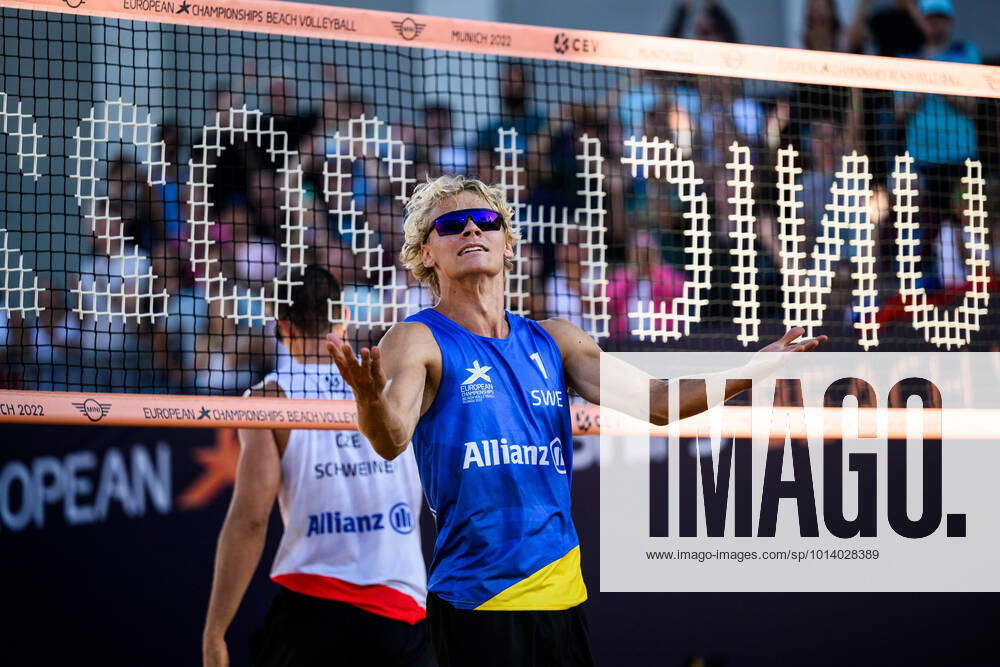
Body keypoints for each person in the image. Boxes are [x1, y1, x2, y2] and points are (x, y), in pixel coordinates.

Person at [325, 175, 826, 665]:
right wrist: (369, 398)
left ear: (508, 243)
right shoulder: (416, 338)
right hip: (477, 599)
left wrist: (748, 372)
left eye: (485, 220)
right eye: (452, 224)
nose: (472, 230)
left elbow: (656, 403)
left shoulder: (555, 339)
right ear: (426, 254)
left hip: (562, 592)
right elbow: (391, 439)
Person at [203, 265, 432, 667]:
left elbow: (250, 521)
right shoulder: (396, 383)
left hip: (312, 608)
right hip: (401, 613)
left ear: (283, 327)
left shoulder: (268, 399)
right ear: (343, 317)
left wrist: (215, 633)